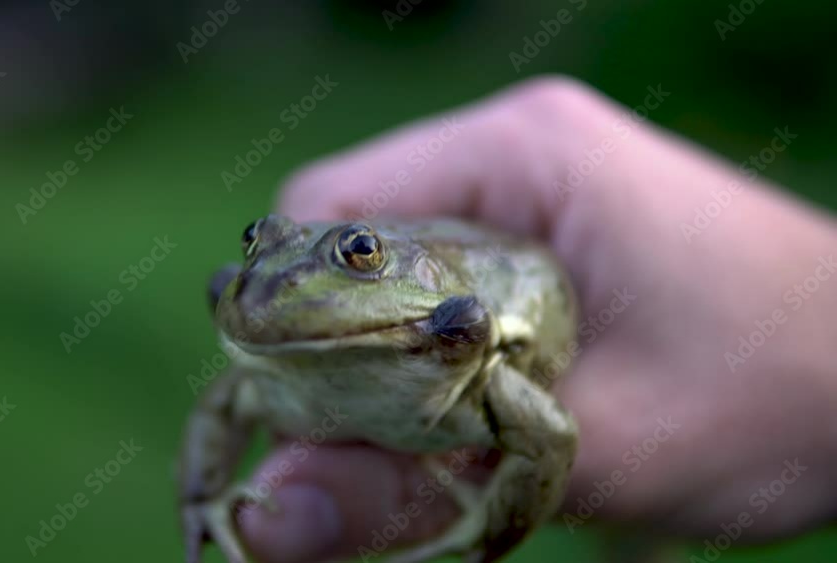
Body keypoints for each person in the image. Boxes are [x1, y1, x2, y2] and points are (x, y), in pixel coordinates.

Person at [232, 76, 837, 563]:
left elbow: (550, 438)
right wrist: (204, 494)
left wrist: (487, 532)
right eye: (256, 245)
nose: (286, 283)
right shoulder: (268, 366)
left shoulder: (471, 356)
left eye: (358, 254)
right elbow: (224, 405)